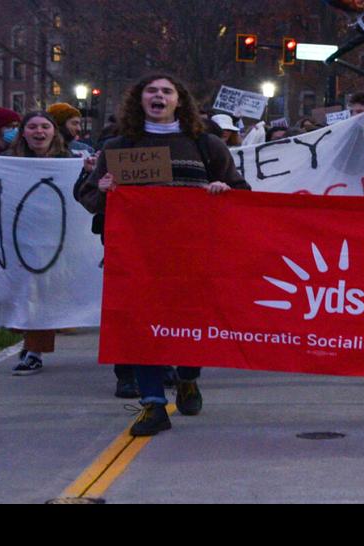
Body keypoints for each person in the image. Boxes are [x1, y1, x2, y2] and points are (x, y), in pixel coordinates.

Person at [77, 72, 250, 436]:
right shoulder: (119, 146)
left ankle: (187, 377)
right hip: (136, 257)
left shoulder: (206, 145)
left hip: (193, 254)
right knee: (140, 330)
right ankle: (153, 405)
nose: (159, 96)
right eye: (151, 91)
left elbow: (241, 193)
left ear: (179, 100)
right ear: (139, 100)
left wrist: (223, 189)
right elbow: (90, 198)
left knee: (190, 326)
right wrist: (104, 190)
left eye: (167, 91)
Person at [3, 111, 97, 376]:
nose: (39, 132)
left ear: (54, 131)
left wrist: (90, 169)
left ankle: (34, 350)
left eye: (45, 126)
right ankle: (32, 347)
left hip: (62, 238)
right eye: (32, 127)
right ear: (23, 132)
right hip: (23, 238)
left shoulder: (70, 161)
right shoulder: (7, 162)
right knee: (30, 293)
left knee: (48, 292)